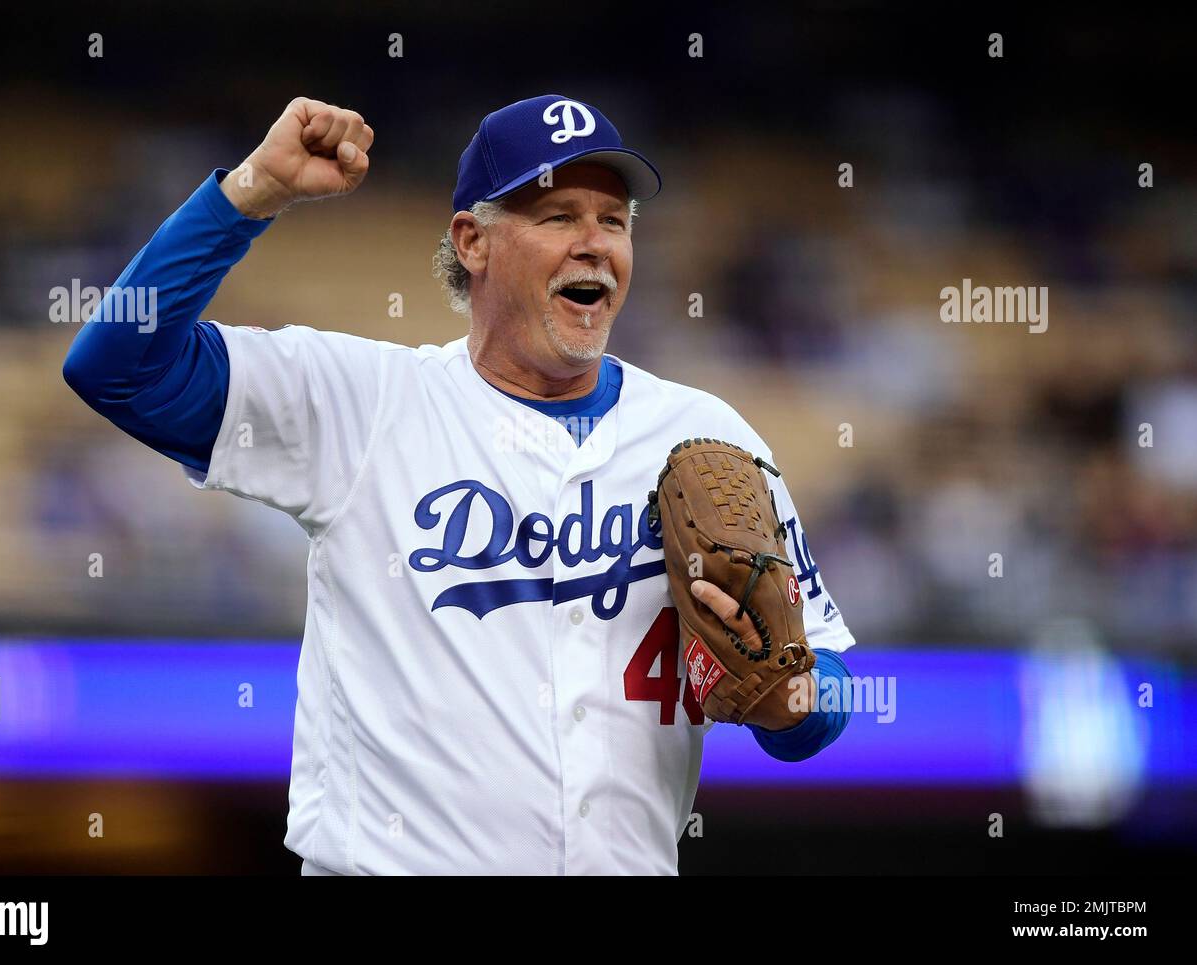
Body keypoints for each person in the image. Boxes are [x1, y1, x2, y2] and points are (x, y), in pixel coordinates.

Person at [63, 94, 856, 875]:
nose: (594, 243)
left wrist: (791, 704)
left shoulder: (705, 437)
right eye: (557, 216)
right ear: (473, 241)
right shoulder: (363, 403)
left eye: (613, 220)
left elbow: (825, 688)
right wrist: (250, 194)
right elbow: (116, 368)